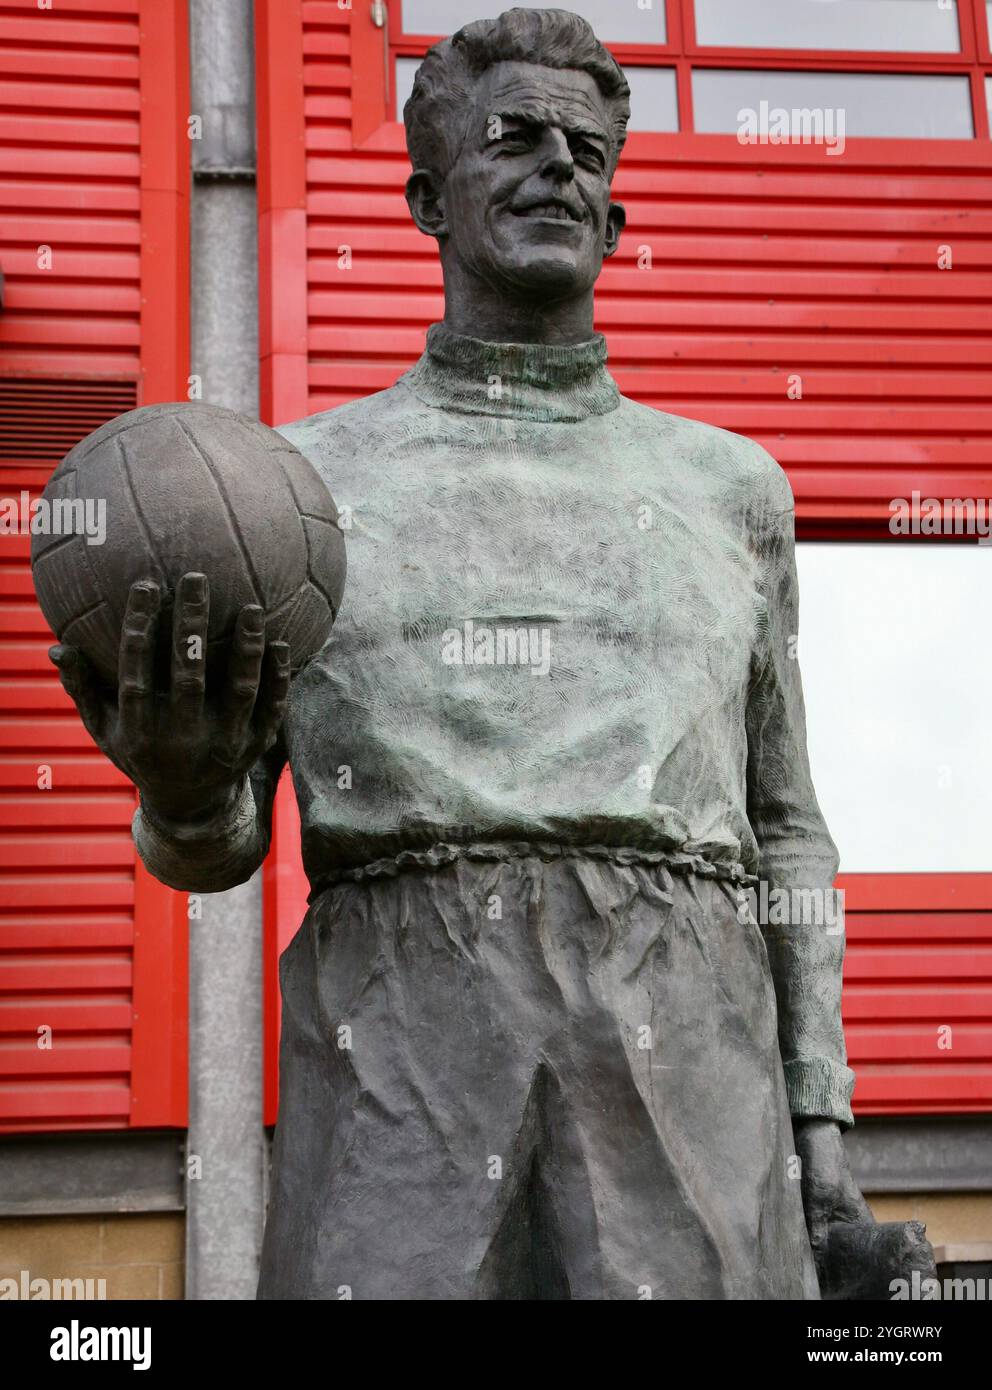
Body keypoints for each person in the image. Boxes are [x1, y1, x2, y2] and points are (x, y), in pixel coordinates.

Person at [52, 8, 871, 1299]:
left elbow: (786, 828)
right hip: (398, 1044)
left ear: (614, 219)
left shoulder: (732, 489)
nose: (561, 167)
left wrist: (822, 1130)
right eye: (517, 139)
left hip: (689, 1039)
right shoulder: (290, 493)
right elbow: (211, 848)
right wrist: (184, 785)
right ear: (429, 200)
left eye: (589, 153)